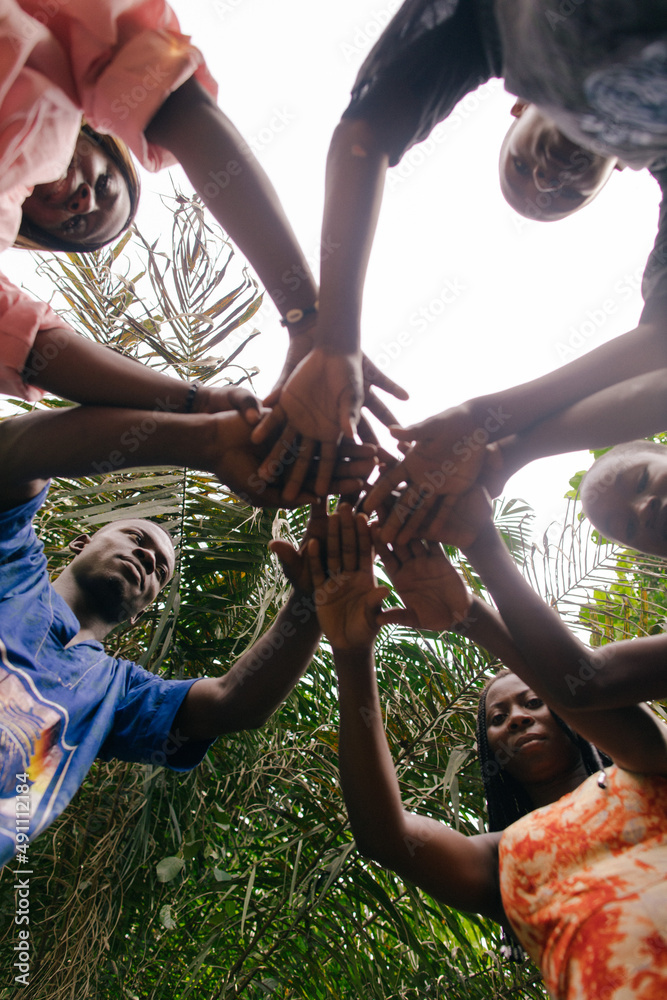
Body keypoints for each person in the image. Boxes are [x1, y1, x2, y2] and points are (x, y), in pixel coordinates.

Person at [251, 0, 667, 504]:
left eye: (518, 166)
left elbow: (365, 135)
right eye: (562, 195)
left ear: (515, 110)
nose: (546, 178)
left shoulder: (498, 27)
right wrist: (486, 424)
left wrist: (333, 338)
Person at [0, 0, 405, 444]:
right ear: (101, 141)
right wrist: (308, 317)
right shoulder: (54, 75)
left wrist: (203, 407)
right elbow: (173, 102)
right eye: (105, 185)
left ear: (32, 229)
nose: (84, 201)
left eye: (76, 225)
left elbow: (23, 340)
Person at [305, 504, 667, 1000]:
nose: (516, 718)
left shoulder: (648, 769)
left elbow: (586, 689)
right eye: (497, 719)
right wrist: (349, 652)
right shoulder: (507, 851)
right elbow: (386, 837)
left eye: (534, 702)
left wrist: (471, 616)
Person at [0, 392, 351, 869]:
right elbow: (17, 454)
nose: (148, 558)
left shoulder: (116, 695)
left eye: (161, 571)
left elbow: (232, 703)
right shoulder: (14, 569)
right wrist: (209, 437)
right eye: (136, 538)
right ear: (81, 543)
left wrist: (311, 600)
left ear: (142, 610)